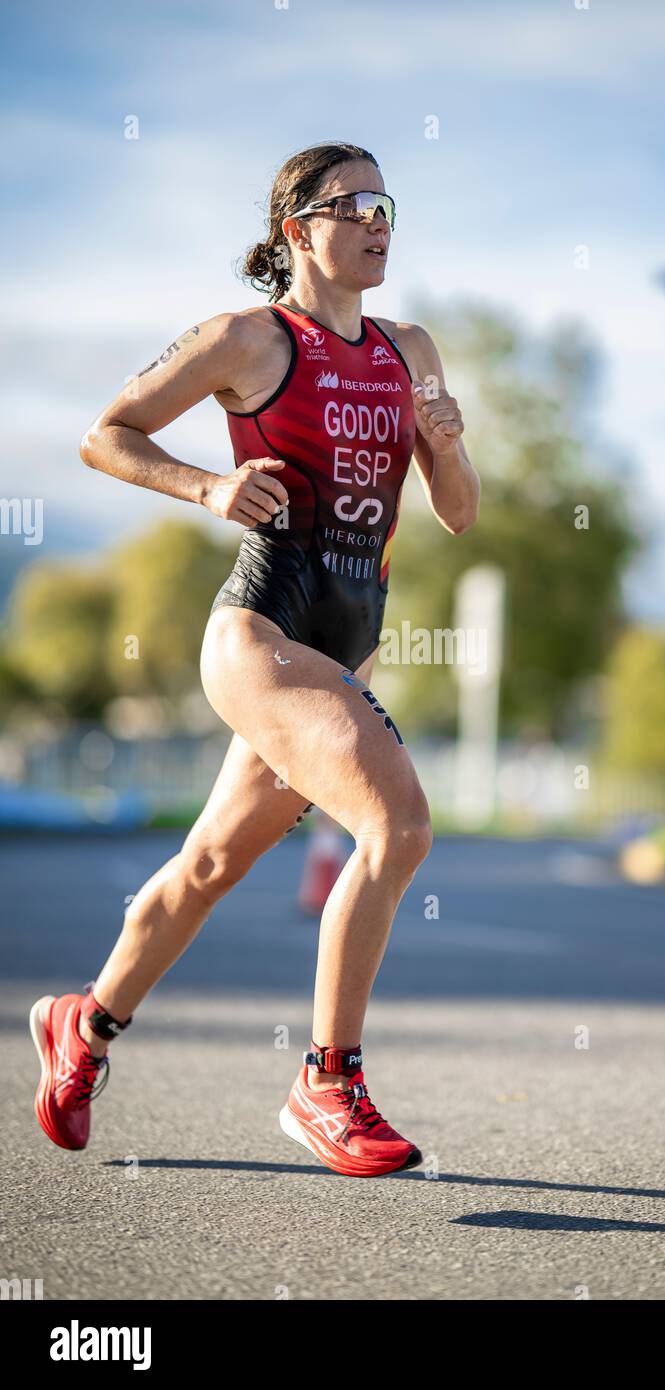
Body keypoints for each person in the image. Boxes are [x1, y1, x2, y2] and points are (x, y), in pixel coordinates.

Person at [30, 141, 480, 1178]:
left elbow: (454, 516)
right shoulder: (246, 338)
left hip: (340, 644)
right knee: (396, 822)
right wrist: (205, 488)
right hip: (261, 636)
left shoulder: (408, 348)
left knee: (207, 866)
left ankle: (82, 1026)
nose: (379, 221)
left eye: (387, 204)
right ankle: (327, 1079)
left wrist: (445, 443)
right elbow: (107, 433)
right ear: (298, 229)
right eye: (354, 203)